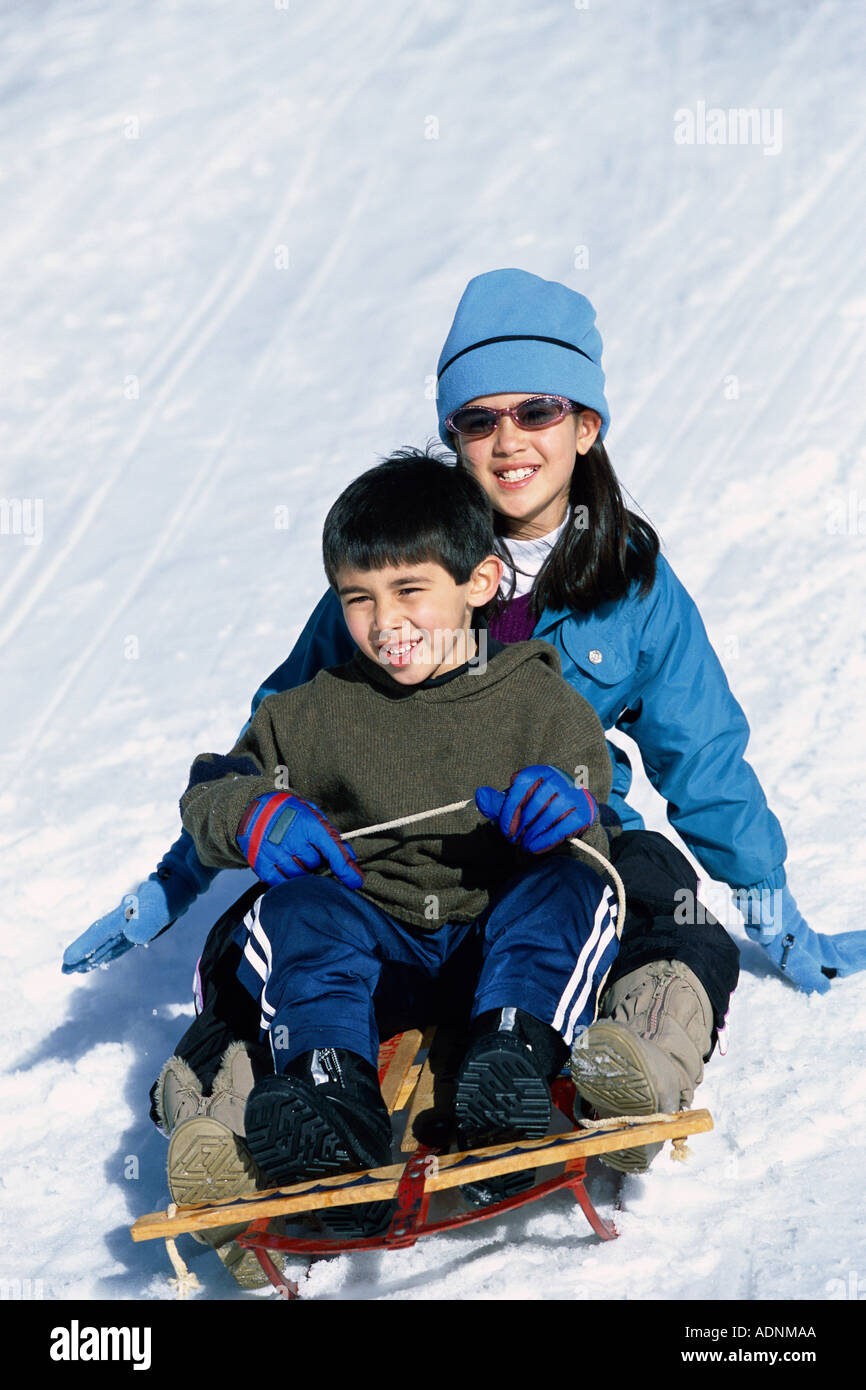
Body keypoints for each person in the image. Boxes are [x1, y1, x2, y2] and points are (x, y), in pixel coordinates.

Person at [64, 269, 866, 1178]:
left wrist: (773, 905)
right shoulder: (403, 565)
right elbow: (271, 741)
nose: (509, 440)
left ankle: (635, 1066)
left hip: (548, 851)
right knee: (262, 939)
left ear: (586, 425)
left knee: (664, 901)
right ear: (454, 437)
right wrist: (177, 881)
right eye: (478, 420)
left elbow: (704, 757)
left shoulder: (633, 586)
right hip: (394, 879)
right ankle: (232, 1128)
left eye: (537, 410)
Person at [173, 451, 622, 1238]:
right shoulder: (312, 713)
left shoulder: (532, 693)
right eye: (359, 599)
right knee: (296, 910)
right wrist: (254, 815)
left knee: (575, 887)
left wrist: (565, 803)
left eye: (410, 590)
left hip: (496, 945)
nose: (386, 623)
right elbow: (213, 787)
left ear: (480, 583)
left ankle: (510, 1065)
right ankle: (330, 1098)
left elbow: (592, 777)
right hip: (379, 957)